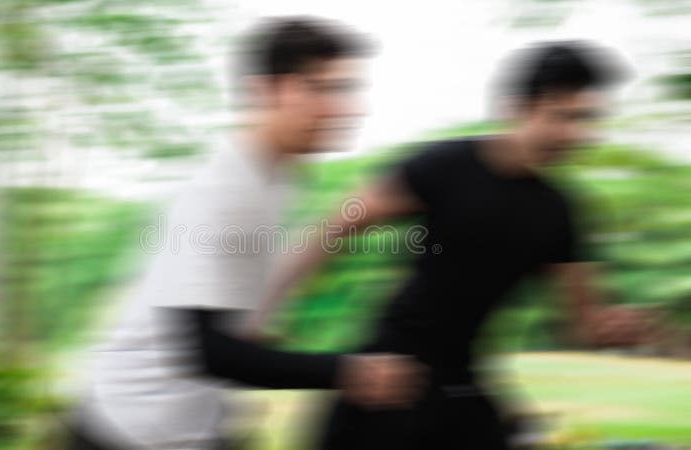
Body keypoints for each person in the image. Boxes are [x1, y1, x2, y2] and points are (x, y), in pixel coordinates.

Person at [245, 41, 633, 450]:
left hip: (463, 381)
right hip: (388, 374)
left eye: (586, 118)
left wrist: (613, 327)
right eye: (562, 117)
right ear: (516, 106)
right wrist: (262, 311)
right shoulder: (444, 165)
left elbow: (582, 325)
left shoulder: (562, 213)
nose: (576, 133)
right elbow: (334, 227)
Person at [63, 16, 423, 450]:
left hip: (193, 427)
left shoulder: (278, 176)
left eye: (348, 89)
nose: (345, 107)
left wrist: (256, 326)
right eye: (322, 88)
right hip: (128, 430)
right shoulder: (220, 190)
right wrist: (347, 372)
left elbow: (223, 315)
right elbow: (208, 352)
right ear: (264, 90)